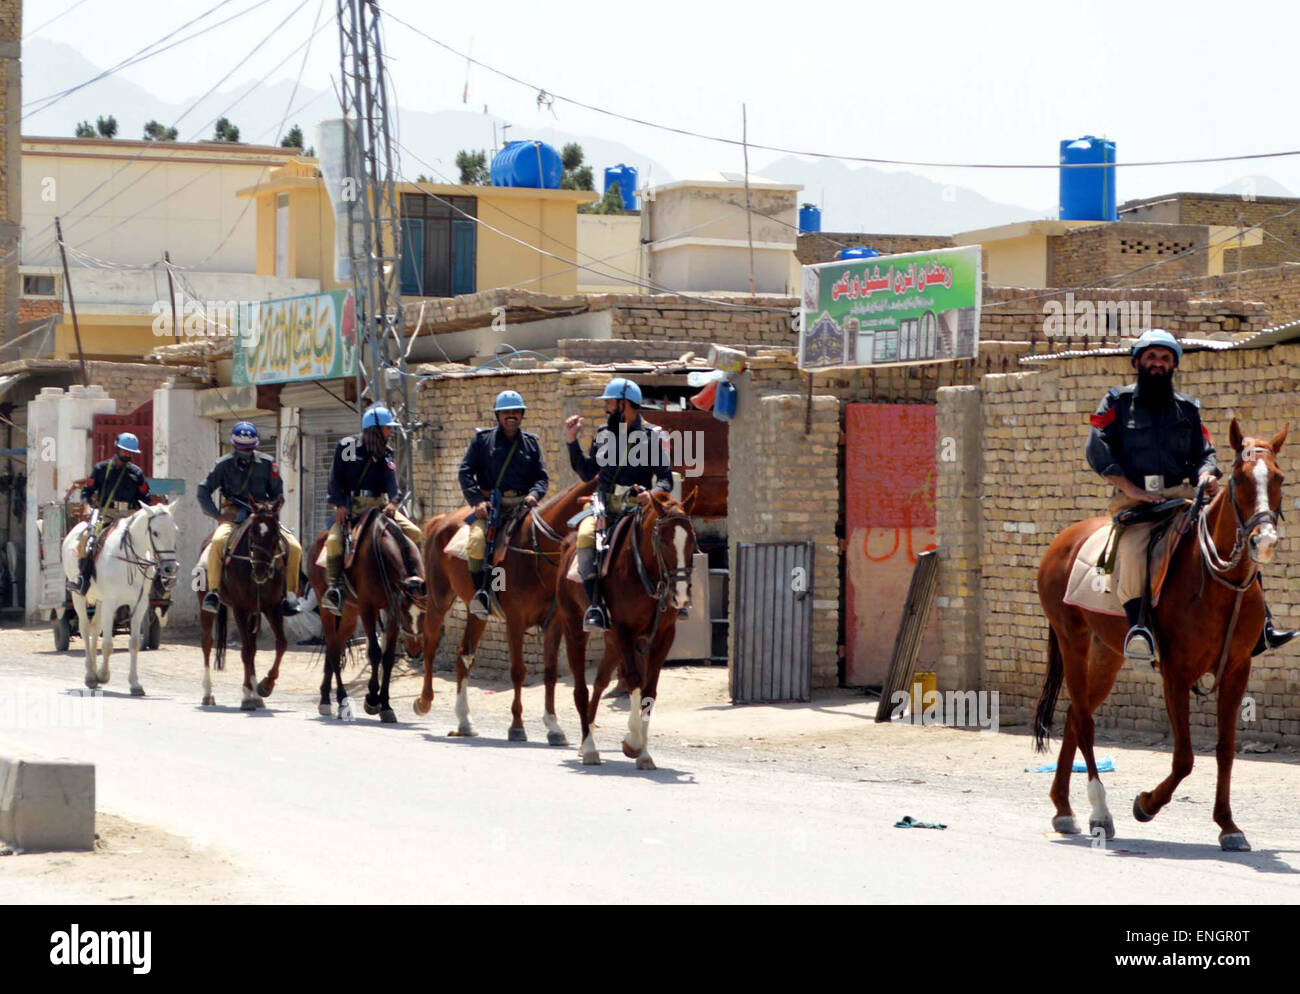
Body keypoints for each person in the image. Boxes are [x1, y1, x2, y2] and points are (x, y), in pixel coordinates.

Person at [1086, 328, 1295, 661]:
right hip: (1136, 500)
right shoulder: (1116, 401)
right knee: (1134, 554)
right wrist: (1131, 488)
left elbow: (1206, 451)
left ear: (1173, 366)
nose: (1158, 363)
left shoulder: (1188, 408)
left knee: (1235, 542)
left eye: (1166, 358)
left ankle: (1262, 626)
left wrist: (1205, 473)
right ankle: (1140, 629)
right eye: (1151, 357)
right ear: (1137, 361)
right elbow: (1097, 446)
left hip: (1184, 497)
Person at [565, 377, 672, 630]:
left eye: (610, 402)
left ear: (625, 404)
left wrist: (652, 494)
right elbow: (586, 472)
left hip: (637, 507)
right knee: (585, 536)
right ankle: (595, 606)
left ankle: (671, 599)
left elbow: (665, 479)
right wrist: (572, 442)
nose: (606, 408)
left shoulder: (652, 436)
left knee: (667, 541)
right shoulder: (603, 434)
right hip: (604, 506)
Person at [321, 404, 425, 616]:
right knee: (333, 543)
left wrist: (394, 502)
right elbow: (336, 478)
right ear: (375, 429)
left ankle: (413, 581)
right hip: (353, 508)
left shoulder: (386, 454)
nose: (391, 432)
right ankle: (335, 590)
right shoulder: (349, 446)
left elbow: (392, 485)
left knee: (416, 533)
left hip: (380, 508)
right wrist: (340, 503)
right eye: (387, 428)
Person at [458, 390, 549, 619]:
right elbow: (465, 472)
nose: (511, 415)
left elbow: (541, 476)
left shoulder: (530, 444)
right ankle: (483, 593)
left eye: (516, 412)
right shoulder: (482, 441)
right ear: (498, 415)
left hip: (523, 507)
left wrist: (535, 494)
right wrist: (477, 501)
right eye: (506, 412)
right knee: (479, 543)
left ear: (522, 415)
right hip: (491, 508)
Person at [196, 421, 301, 616]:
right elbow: (203, 490)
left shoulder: (269, 464)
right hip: (235, 515)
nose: (245, 452)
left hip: (263, 516)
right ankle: (213, 592)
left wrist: (269, 510)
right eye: (242, 448)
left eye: (249, 448)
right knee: (218, 543)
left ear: (256, 445)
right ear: (234, 445)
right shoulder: (223, 465)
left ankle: (290, 595)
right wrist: (217, 515)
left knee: (295, 548)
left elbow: (278, 494)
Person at [68, 432, 152, 595]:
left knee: (151, 542)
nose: (127, 454)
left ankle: (156, 583)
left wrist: (143, 513)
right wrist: (88, 506)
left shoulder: (137, 473)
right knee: (89, 540)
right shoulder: (101, 469)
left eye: (130, 452)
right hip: (106, 514)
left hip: (129, 516)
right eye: (125, 451)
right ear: (117, 449)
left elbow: (145, 496)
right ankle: (84, 579)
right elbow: (87, 491)